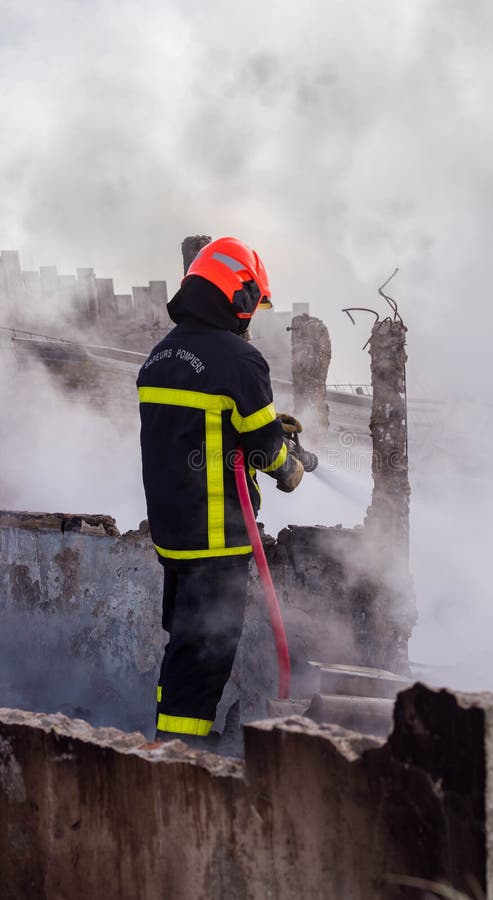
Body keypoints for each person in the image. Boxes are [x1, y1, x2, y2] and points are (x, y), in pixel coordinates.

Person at [136, 236, 304, 748]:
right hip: (217, 538)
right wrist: (290, 466)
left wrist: (266, 426)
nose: (251, 319)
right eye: (252, 306)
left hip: (174, 538)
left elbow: (204, 427)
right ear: (239, 296)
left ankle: (168, 740)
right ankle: (178, 761)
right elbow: (265, 450)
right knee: (206, 657)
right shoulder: (239, 359)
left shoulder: (161, 355)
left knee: (182, 649)